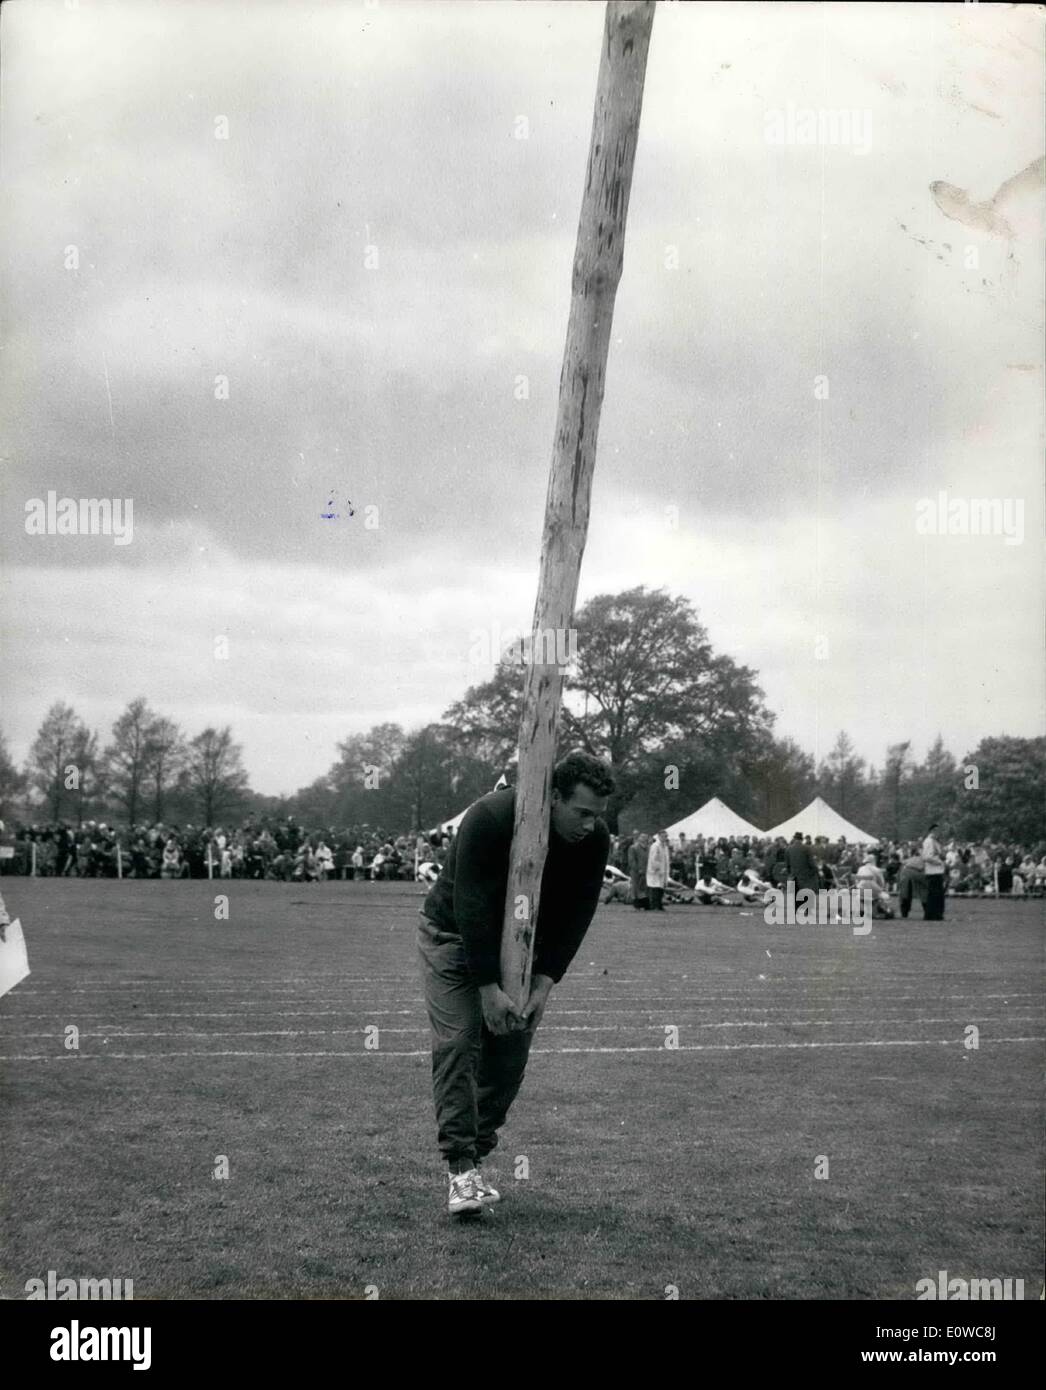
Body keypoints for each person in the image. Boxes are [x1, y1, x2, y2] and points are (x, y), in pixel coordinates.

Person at [417, 751, 613, 1216]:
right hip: (452, 936)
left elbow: (577, 913)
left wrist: (545, 983)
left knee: (509, 1052)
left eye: (597, 816)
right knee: (460, 1043)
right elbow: (471, 905)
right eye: (581, 813)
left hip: (523, 948)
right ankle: (461, 1170)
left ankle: (475, 1158)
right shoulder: (488, 816)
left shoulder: (594, 840)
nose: (589, 825)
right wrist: (487, 988)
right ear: (553, 798)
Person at [921, 823, 946, 920]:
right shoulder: (929, 841)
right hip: (932, 871)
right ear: (932, 831)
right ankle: (932, 915)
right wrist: (939, 862)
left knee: (938, 895)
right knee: (934, 895)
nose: (939, 833)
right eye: (937, 831)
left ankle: (937, 914)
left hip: (937, 871)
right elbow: (927, 857)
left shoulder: (935, 842)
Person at [646, 830, 671, 911]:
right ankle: (654, 905)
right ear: (659, 836)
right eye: (664, 836)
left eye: (666, 836)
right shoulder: (655, 846)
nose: (665, 838)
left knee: (661, 888)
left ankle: (659, 905)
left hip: (663, 870)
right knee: (655, 888)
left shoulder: (665, 846)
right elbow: (653, 858)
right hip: (656, 871)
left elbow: (666, 859)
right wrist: (657, 868)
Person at [627, 833, 650, 911]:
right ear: (639, 838)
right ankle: (637, 905)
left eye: (646, 837)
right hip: (636, 872)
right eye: (642, 837)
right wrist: (638, 869)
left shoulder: (648, 848)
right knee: (636, 888)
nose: (644, 839)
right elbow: (632, 861)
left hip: (646, 871)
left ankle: (645, 904)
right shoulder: (633, 848)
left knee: (644, 888)